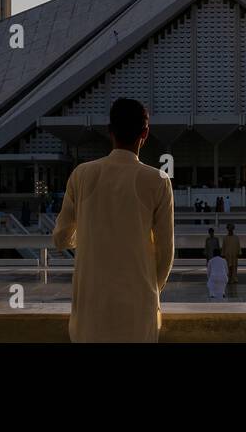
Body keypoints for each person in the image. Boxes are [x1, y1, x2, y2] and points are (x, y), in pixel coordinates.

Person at [52, 97, 174, 343]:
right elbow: (165, 252)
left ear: (110, 132)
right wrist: (150, 290)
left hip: (90, 314)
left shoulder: (81, 175)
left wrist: (87, 235)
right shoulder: (158, 180)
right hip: (138, 314)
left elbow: (61, 239)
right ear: (145, 133)